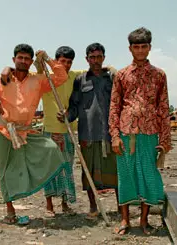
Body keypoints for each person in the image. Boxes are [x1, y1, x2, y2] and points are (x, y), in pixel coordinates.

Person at [0, 43, 69, 224]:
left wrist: (48, 59)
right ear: (14, 60)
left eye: (27, 59)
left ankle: (31, 186)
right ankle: (10, 210)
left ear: (31, 61)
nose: (23, 61)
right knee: (6, 168)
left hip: (27, 131)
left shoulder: (39, 80)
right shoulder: (2, 79)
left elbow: (61, 76)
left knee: (51, 148)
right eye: (20, 58)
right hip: (5, 130)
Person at [108, 27, 171, 235]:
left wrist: (165, 139)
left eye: (144, 46)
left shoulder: (159, 75)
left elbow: (163, 107)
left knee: (149, 176)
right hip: (126, 133)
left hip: (149, 133)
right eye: (137, 47)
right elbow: (114, 106)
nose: (141, 50)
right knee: (125, 176)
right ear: (130, 49)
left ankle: (144, 221)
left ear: (150, 47)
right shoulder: (122, 75)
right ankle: (125, 220)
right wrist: (115, 136)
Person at [57, 43, 118, 220]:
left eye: (99, 57)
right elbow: (75, 106)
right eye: (92, 57)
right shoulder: (80, 80)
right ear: (87, 59)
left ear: (104, 58)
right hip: (88, 135)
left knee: (115, 174)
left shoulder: (112, 78)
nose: (96, 61)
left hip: (110, 135)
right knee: (89, 173)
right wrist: (67, 115)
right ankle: (93, 207)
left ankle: (121, 209)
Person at [35, 46, 85, 217]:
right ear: (56, 61)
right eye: (62, 61)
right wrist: (41, 58)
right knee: (49, 168)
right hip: (49, 129)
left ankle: (65, 203)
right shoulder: (45, 78)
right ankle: (49, 204)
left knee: (67, 168)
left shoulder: (75, 76)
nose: (66, 65)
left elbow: (94, 70)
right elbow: (38, 67)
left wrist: (110, 69)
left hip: (68, 129)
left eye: (69, 62)